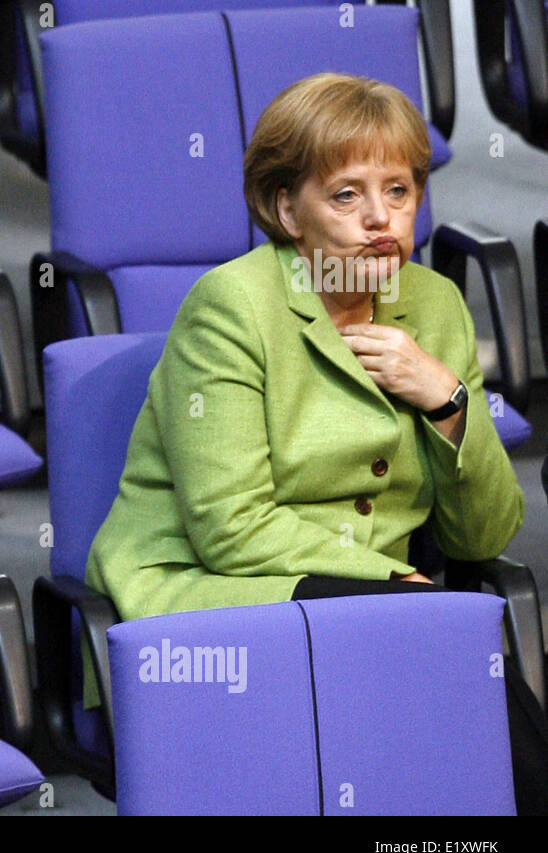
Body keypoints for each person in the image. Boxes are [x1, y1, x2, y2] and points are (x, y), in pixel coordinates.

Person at [84, 72, 546, 812]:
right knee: (443, 648)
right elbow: (231, 529)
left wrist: (447, 400)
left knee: (449, 660)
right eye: (346, 195)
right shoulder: (232, 307)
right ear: (285, 208)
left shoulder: (435, 305)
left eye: (399, 191)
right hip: (212, 593)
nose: (380, 220)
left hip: (372, 609)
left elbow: (483, 534)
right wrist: (388, 584)